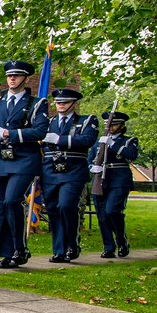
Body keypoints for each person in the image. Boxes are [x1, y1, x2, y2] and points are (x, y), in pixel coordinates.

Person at [0, 60, 49, 268]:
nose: (12, 78)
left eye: (17, 75)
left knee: (11, 200)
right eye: (9, 75)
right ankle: (8, 253)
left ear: (26, 79)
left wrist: (8, 133)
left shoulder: (37, 103)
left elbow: (40, 131)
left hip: (23, 158)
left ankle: (20, 248)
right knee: (0, 208)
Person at [41, 88, 98, 262]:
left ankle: (72, 244)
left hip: (73, 170)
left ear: (74, 103)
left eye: (64, 102)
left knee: (66, 206)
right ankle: (59, 250)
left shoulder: (86, 121)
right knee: (53, 210)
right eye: (58, 102)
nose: (60, 105)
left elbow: (87, 140)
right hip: (50, 170)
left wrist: (60, 140)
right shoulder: (49, 122)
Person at [88, 111, 139, 258]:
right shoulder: (99, 141)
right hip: (100, 180)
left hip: (119, 179)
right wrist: (92, 167)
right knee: (102, 215)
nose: (110, 128)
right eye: (108, 125)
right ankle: (109, 247)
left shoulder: (129, 140)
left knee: (112, 211)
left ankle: (121, 239)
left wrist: (113, 144)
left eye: (114, 125)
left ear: (122, 125)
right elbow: (90, 158)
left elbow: (132, 155)